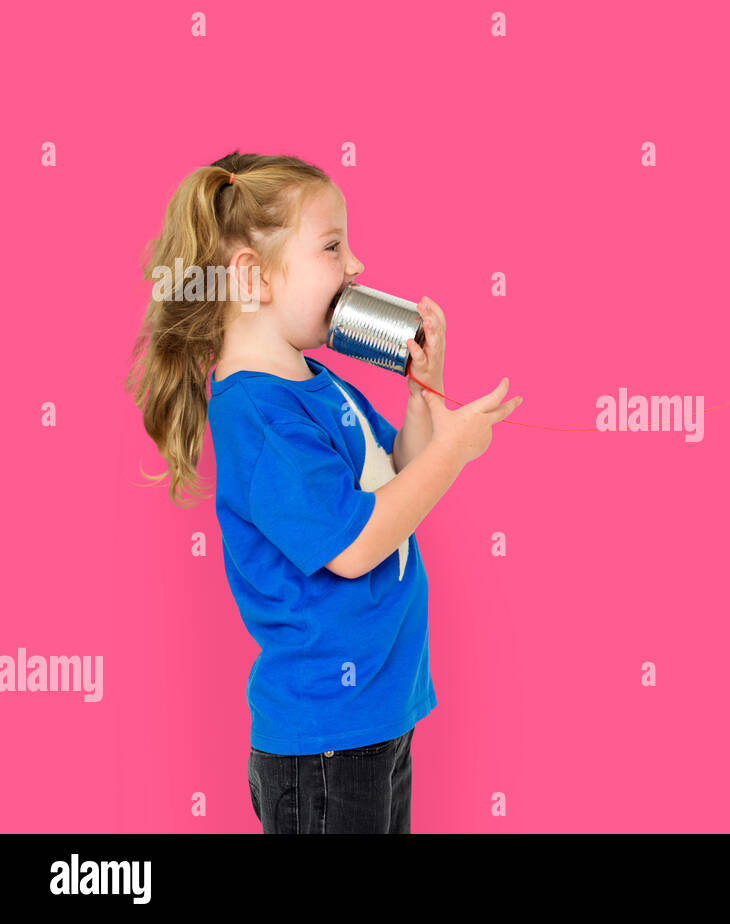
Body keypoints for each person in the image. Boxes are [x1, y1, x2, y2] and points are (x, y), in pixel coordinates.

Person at [125, 150, 522, 832]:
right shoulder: (259, 418)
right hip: (325, 740)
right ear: (255, 277)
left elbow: (394, 478)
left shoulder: (317, 382)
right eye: (333, 247)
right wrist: (454, 452)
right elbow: (357, 544)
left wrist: (425, 394)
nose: (357, 266)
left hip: (377, 713)